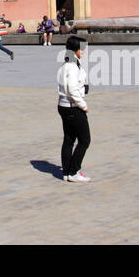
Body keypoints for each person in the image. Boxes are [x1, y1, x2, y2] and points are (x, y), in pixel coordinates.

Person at [57, 35, 91, 183]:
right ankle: (74, 171)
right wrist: (83, 105)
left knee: (69, 139)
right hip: (73, 107)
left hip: (63, 105)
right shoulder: (71, 66)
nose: (83, 51)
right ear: (75, 50)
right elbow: (71, 88)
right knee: (85, 140)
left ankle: (66, 172)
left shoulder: (66, 65)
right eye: (81, 49)